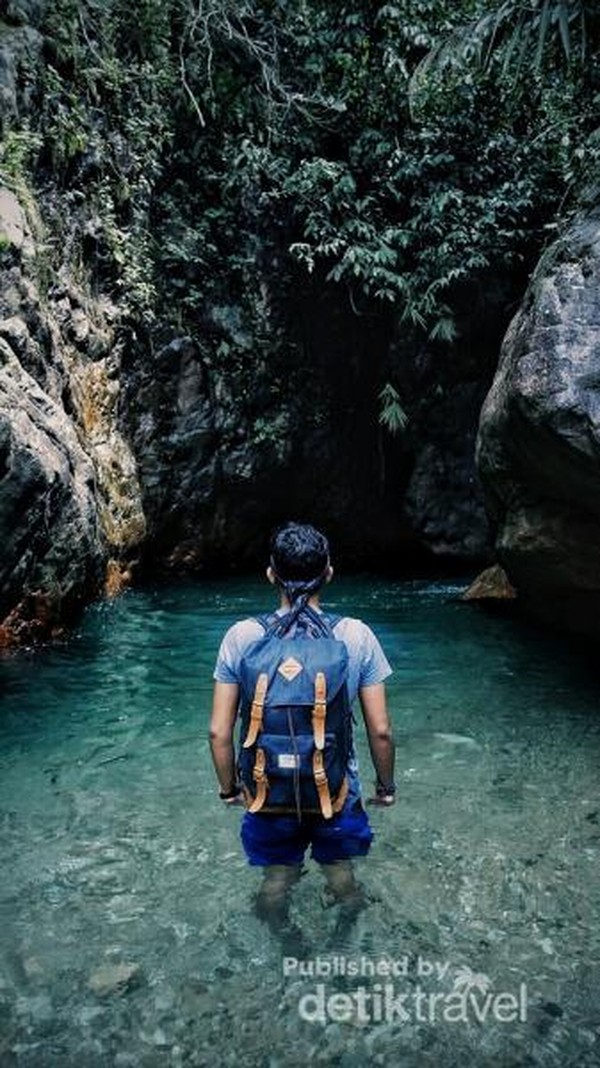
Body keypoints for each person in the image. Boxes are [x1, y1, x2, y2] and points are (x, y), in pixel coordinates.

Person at [209, 521, 395, 939]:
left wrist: (230, 790)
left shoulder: (242, 636)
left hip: (266, 790)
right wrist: (386, 788)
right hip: (336, 790)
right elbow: (381, 730)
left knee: (276, 879)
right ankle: (345, 943)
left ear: (270, 574)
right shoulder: (356, 635)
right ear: (328, 573)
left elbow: (219, 732)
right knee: (342, 876)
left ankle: (286, 943)